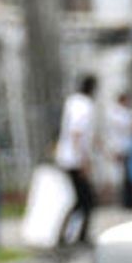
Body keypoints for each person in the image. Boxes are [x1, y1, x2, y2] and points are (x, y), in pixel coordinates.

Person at [54, 75, 98, 247]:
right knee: (86, 199)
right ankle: (73, 236)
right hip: (74, 160)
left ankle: (69, 235)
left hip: (67, 157)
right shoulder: (85, 106)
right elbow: (76, 134)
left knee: (81, 200)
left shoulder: (72, 102)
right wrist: (83, 161)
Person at [106, 91, 132, 209]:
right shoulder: (117, 113)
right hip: (120, 146)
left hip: (127, 146)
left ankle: (130, 199)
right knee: (124, 174)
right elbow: (127, 126)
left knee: (129, 174)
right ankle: (127, 200)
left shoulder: (127, 113)